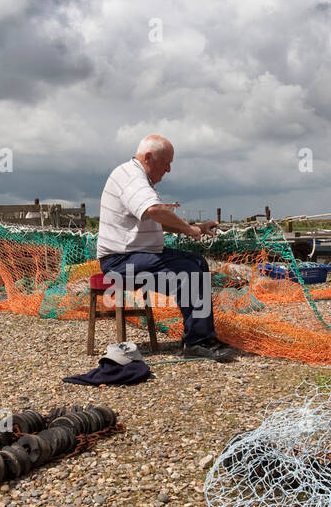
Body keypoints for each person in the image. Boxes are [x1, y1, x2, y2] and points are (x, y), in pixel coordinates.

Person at [96, 134, 235, 362]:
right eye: (166, 162)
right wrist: (191, 231)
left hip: (137, 255)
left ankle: (201, 336)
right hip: (119, 262)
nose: (169, 170)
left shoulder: (138, 178)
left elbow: (157, 219)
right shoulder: (131, 177)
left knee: (197, 262)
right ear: (149, 157)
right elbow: (155, 211)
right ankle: (197, 343)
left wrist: (195, 226)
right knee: (187, 273)